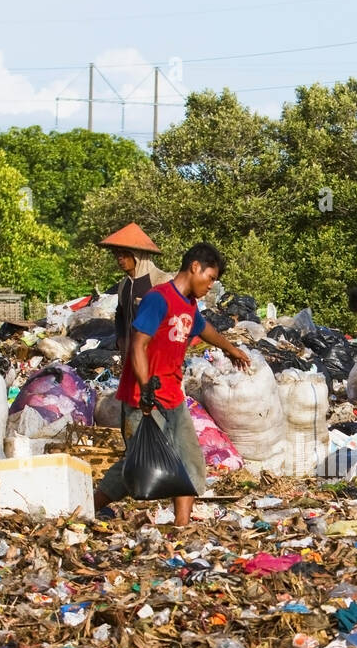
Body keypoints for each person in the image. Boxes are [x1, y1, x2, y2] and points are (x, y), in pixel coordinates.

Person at [95, 242, 250, 528]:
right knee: (140, 463)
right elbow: (139, 345)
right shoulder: (159, 298)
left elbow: (204, 329)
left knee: (189, 458)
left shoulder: (189, 305)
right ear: (194, 268)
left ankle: (181, 527)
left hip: (172, 395)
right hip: (143, 396)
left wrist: (231, 350)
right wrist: (146, 389)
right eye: (210, 277)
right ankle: (90, 506)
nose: (211, 285)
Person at [99, 223, 174, 366]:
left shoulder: (160, 281)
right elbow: (120, 314)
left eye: (125, 254)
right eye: (117, 255)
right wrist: (121, 339)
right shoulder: (123, 285)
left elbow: (173, 318)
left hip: (157, 357)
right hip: (131, 357)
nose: (120, 259)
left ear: (138, 255)